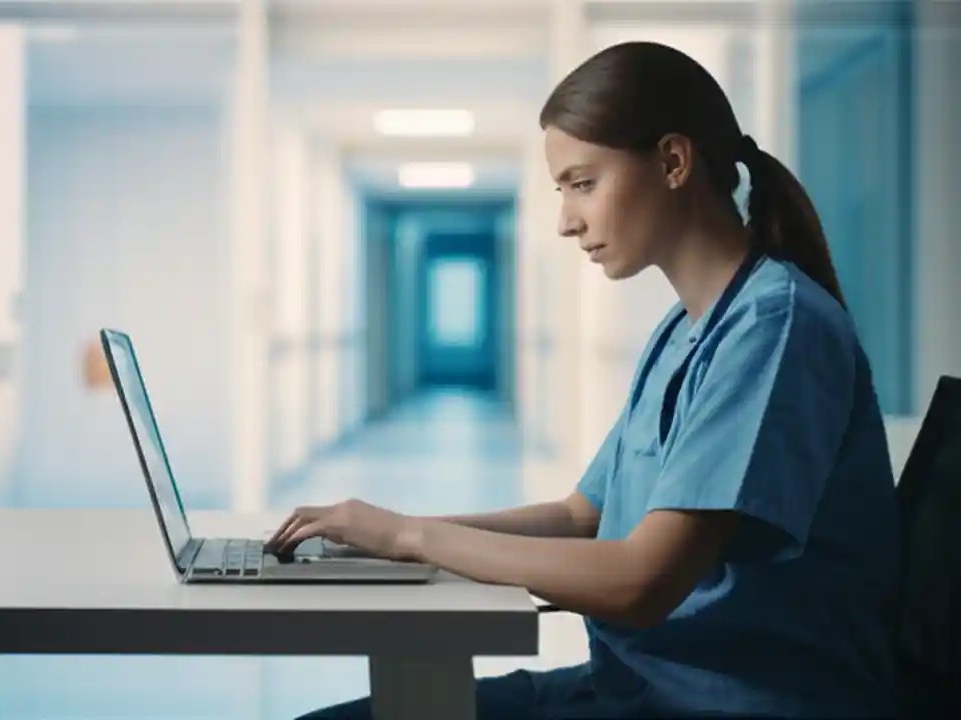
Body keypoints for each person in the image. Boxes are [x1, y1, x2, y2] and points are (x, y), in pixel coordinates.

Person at [267, 41, 899, 719]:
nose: (568, 221)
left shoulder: (775, 326)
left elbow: (641, 582)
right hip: (634, 684)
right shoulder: (686, 328)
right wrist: (398, 535)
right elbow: (582, 515)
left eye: (583, 183)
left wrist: (412, 540)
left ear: (674, 161)